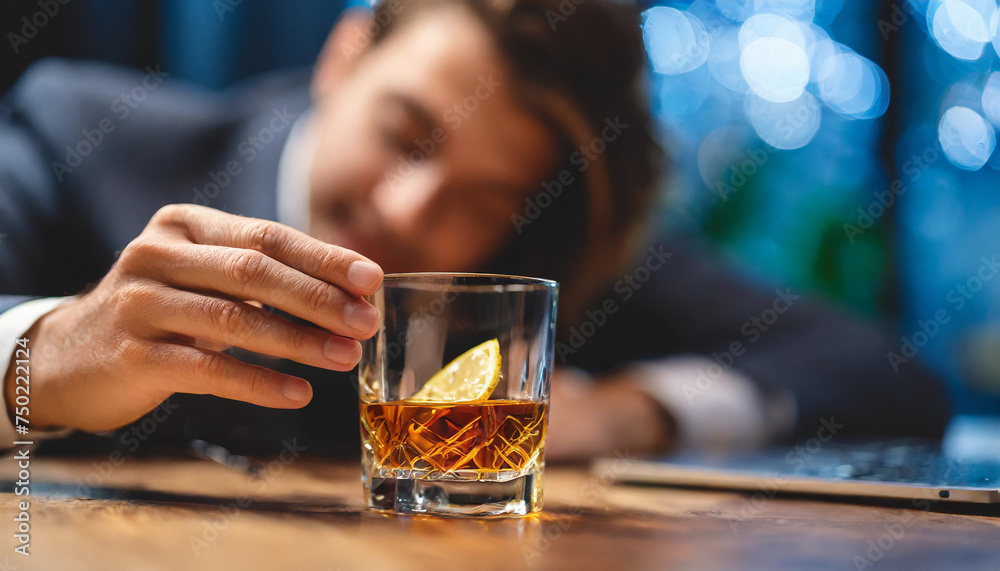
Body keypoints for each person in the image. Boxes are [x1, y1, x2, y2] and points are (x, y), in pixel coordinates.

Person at [0, 0, 950, 460]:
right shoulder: (83, 137)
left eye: (486, 193)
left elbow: (879, 371)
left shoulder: (541, 260)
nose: (413, 214)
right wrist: (45, 357)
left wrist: (632, 411)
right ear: (345, 53)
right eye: (404, 134)